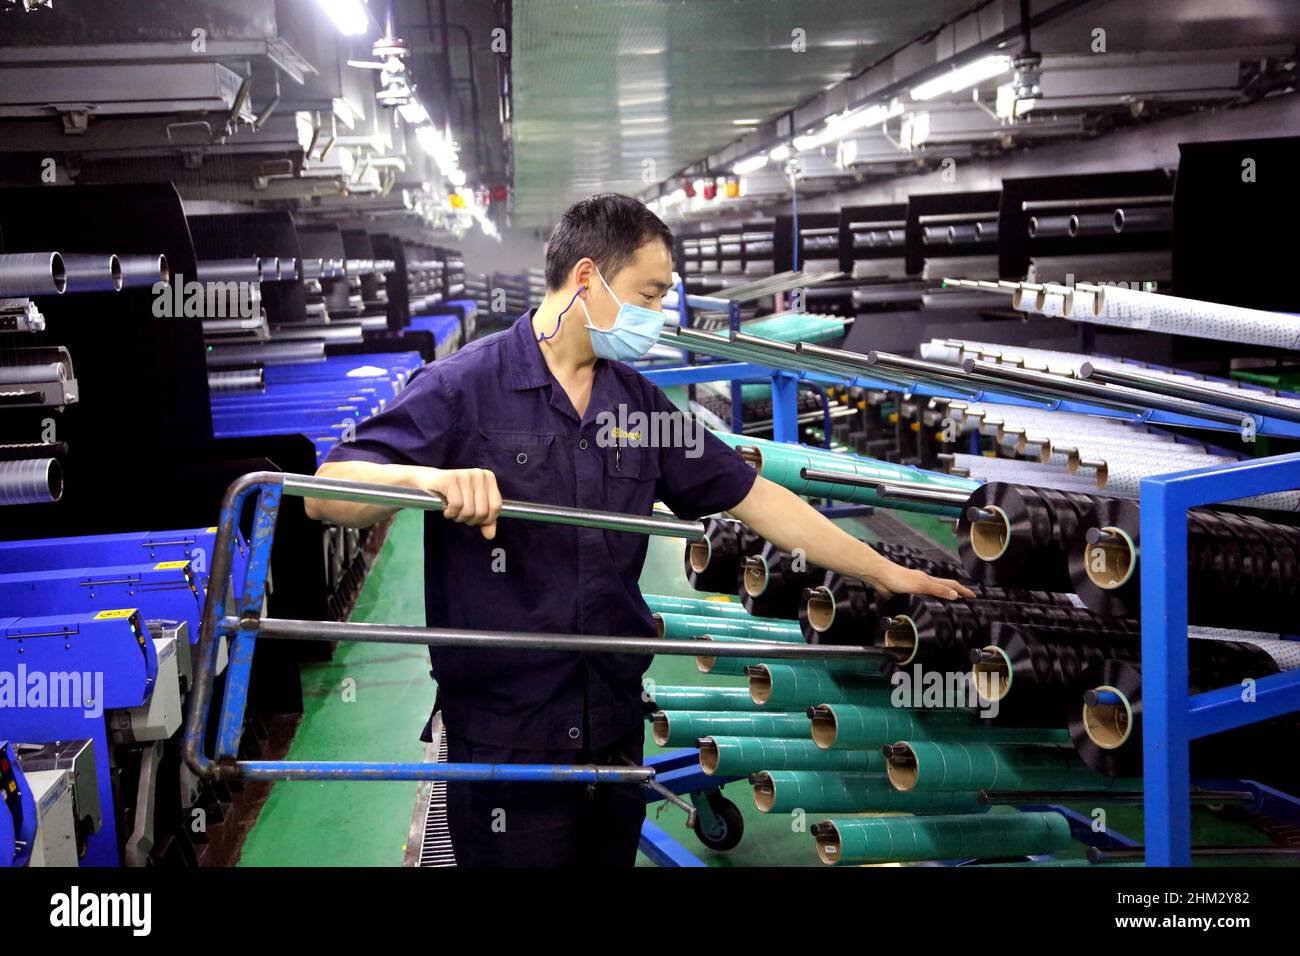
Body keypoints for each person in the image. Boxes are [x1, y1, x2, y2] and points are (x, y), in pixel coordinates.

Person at [306, 193, 974, 866]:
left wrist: (888, 573)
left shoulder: (637, 406)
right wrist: (425, 480)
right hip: (509, 735)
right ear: (589, 279)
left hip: (614, 725)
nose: (656, 316)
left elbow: (757, 499)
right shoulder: (462, 386)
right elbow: (326, 497)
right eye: (648, 295)